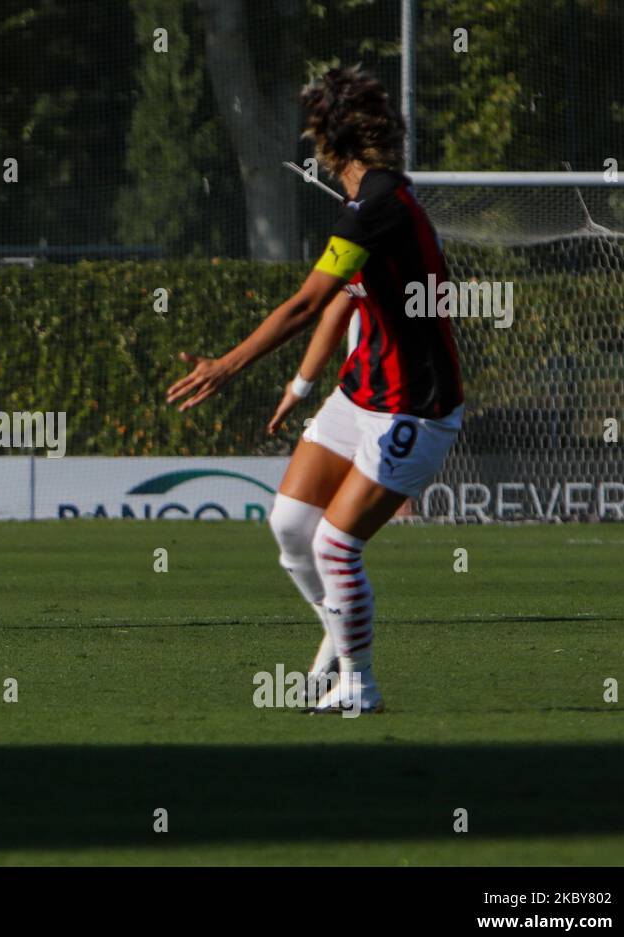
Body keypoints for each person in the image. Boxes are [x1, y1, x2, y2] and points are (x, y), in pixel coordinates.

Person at [165, 67, 463, 712]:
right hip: (359, 396)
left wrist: (226, 365)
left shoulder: (378, 205)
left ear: (328, 142)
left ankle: (360, 684)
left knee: (336, 544)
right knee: (291, 525)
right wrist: (303, 383)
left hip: (414, 407)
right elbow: (335, 303)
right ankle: (339, 644)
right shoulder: (370, 204)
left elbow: (304, 305)